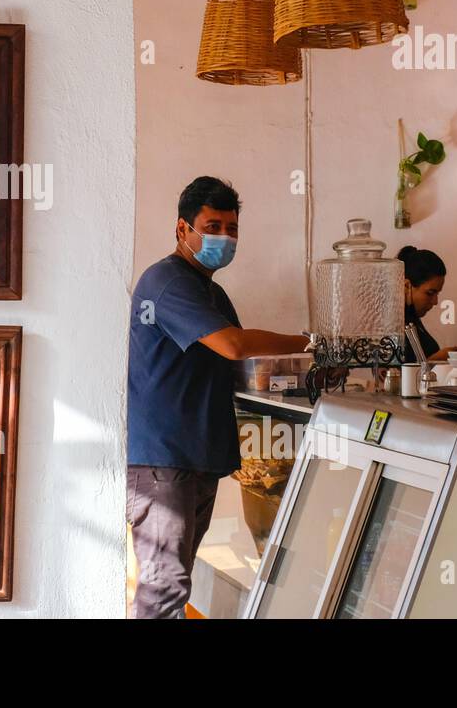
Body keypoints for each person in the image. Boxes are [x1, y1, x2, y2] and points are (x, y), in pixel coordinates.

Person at [127, 176, 309, 619]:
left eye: (232, 229)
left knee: (176, 577)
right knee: (164, 586)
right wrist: (309, 342)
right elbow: (234, 345)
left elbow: (239, 364)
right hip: (163, 460)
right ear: (182, 230)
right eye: (212, 226)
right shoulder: (168, 282)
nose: (223, 238)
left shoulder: (212, 291)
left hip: (197, 455)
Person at [398, 245, 457, 362]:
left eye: (437, 293)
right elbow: (394, 377)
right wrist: (436, 360)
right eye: (430, 293)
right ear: (407, 286)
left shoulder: (412, 318)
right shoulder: (391, 327)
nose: (435, 301)